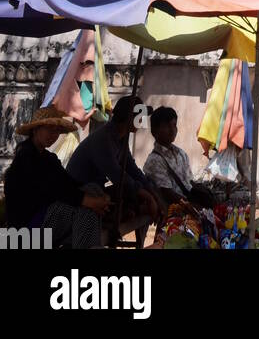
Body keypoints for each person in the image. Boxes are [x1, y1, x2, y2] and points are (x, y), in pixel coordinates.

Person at [3, 106, 110, 249]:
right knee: (83, 207)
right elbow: (52, 189)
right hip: (28, 230)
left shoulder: (49, 159)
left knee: (92, 189)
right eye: (49, 129)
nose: (54, 134)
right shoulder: (25, 157)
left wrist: (98, 197)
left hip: (47, 221)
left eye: (57, 130)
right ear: (35, 130)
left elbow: (70, 183)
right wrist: (87, 200)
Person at [67, 94, 162, 232]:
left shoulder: (121, 138)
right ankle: (116, 214)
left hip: (99, 190)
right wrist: (148, 196)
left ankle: (125, 211)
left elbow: (132, 169)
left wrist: (152, 193)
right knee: (124, 191)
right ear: (129, 117)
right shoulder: (103, 139)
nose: (141, 121)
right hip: (83, 194)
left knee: (147, 184)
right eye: (139, 117)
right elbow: (117, 175)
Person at [143, 107, 214, 208]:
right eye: (167, 126)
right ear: (155, 131)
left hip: (191, 204)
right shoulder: (154, 160)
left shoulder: (181, 153)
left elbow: (190, 182)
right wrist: (192, 206)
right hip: (175, 211)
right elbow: (167, 193)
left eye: (174, 125)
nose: (172, 130)